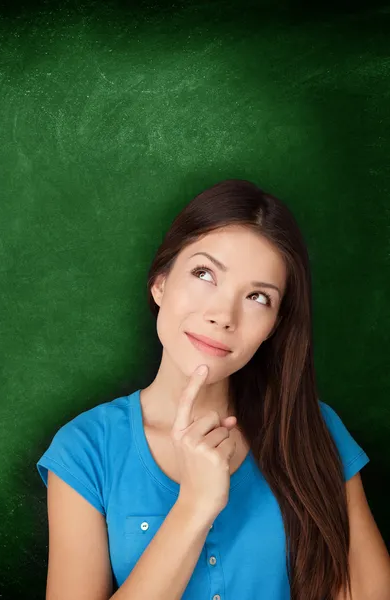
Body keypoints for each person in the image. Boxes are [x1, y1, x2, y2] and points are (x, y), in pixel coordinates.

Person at [36, 179, 390, 599]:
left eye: (258, 297)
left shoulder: (316, 430)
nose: (223, 315)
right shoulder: (85, 449)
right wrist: (194, 506)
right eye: (205, 274)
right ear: (161, 283)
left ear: (273, 328)